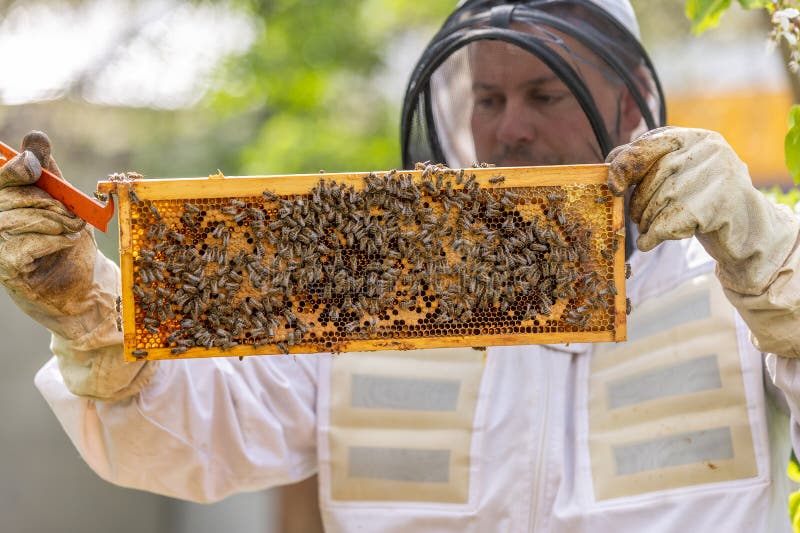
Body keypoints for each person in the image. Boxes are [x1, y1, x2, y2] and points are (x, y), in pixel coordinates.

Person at [2, 0, 800, 531]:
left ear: (628, 107)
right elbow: (199, 433)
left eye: (545, 95)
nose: (508, 130)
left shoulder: (729, 280)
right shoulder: (380, 283)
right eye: (489, 100)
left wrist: (775, 270)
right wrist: (95, 317)